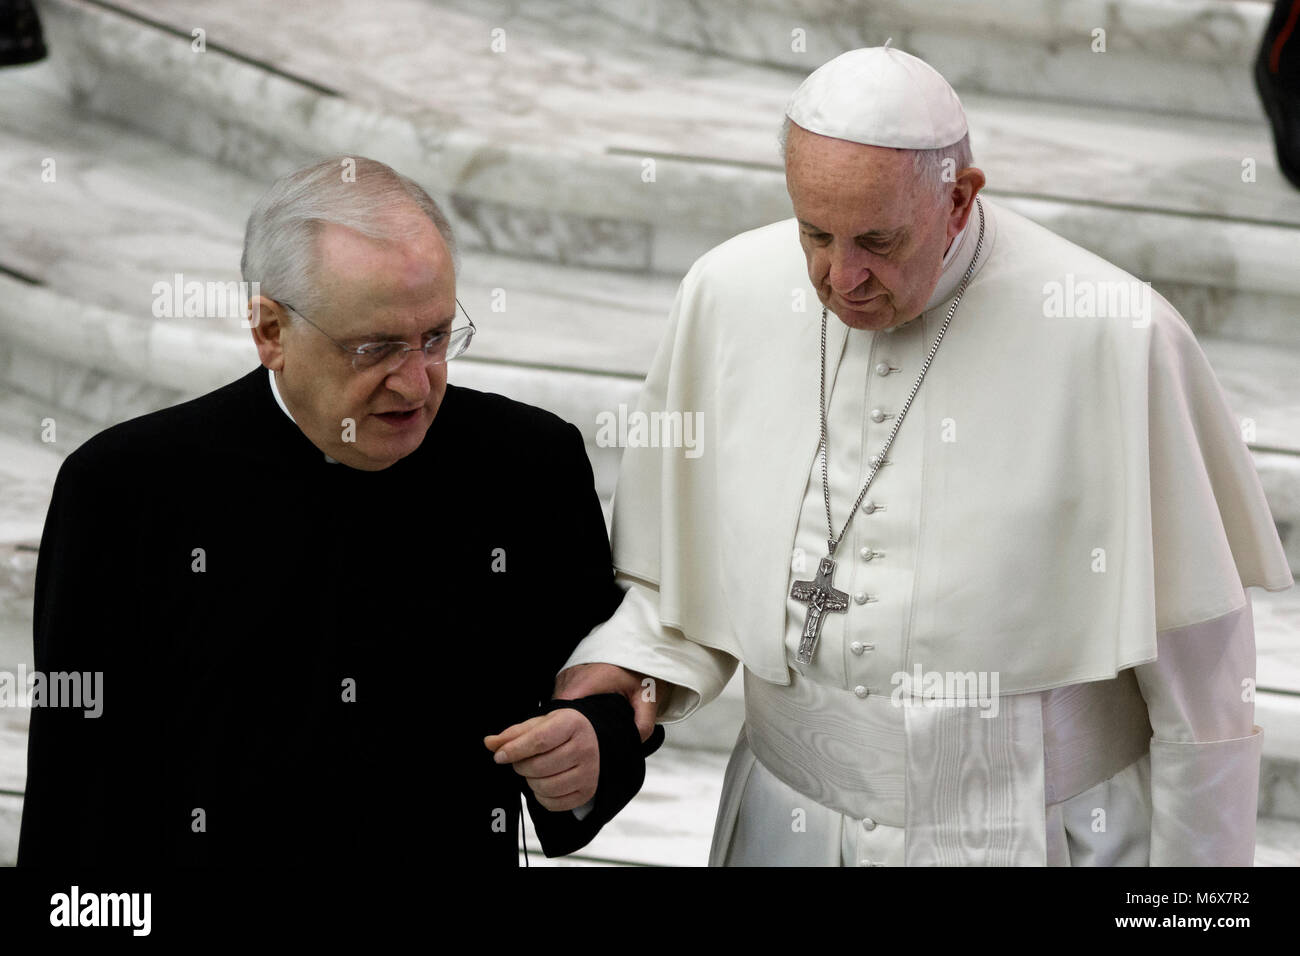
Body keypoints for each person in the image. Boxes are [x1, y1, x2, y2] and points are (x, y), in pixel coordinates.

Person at [554, 46, 1294, 866]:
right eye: (814, 233)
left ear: (959, 199)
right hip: (784, 830)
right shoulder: (727, 294)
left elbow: (1206, 690)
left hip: (1029, 838)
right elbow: (682, 580)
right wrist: (628, 674)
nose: (841, 278)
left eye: (878, 239)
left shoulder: (1116, 335)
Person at [18, 156, 656, 868]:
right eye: (376, 348)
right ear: (270, 332)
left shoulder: (528, 465)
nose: (417, 384)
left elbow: (602, 680)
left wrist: (595, 741)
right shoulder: (125, 490)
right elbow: (76, 783)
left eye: (437, 338)